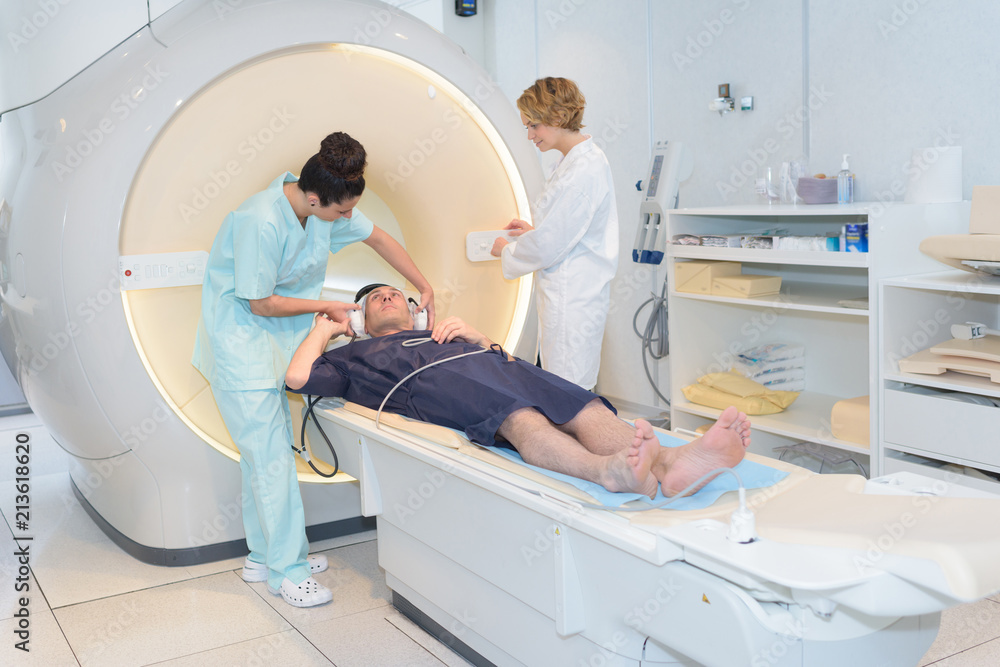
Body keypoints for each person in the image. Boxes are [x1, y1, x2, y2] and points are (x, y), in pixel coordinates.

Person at [192, 133, 435, 609]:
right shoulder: (259, 220)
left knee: (263, 459)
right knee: (272, 463)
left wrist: (422, 284)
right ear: (312, 197)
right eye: (341, 212)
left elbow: (379, 237)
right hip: (240, 349)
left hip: (279, 348)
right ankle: (290, 571)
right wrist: (328, 306)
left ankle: (263, 556)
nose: (347, 220)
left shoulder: (324, 207)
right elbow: (260, 302)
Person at [285, 284, 751, 500]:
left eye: (395, 295)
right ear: (363, 321)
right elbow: (297, 380)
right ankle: (607, 471)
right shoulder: (355, 356)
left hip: (489, 363)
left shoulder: (442, 333)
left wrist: (478, 337)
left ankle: (675, 464)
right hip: (433, 388)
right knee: (520, 415)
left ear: (416, 313)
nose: (388, 298)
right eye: (375, 299)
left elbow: (499, 357)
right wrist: (323, 332)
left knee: (577, 403)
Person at [491, 77, 618, 391]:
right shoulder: (572, 163)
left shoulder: (584, 169)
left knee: (569, 391)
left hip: (573, 298)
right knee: (563, 385)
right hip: (566, 291)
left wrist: (505, 250)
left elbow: (549, 246)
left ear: (558, 118)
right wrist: (534, 232)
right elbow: (565, 231)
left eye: (534, 126)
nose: (530, 135)